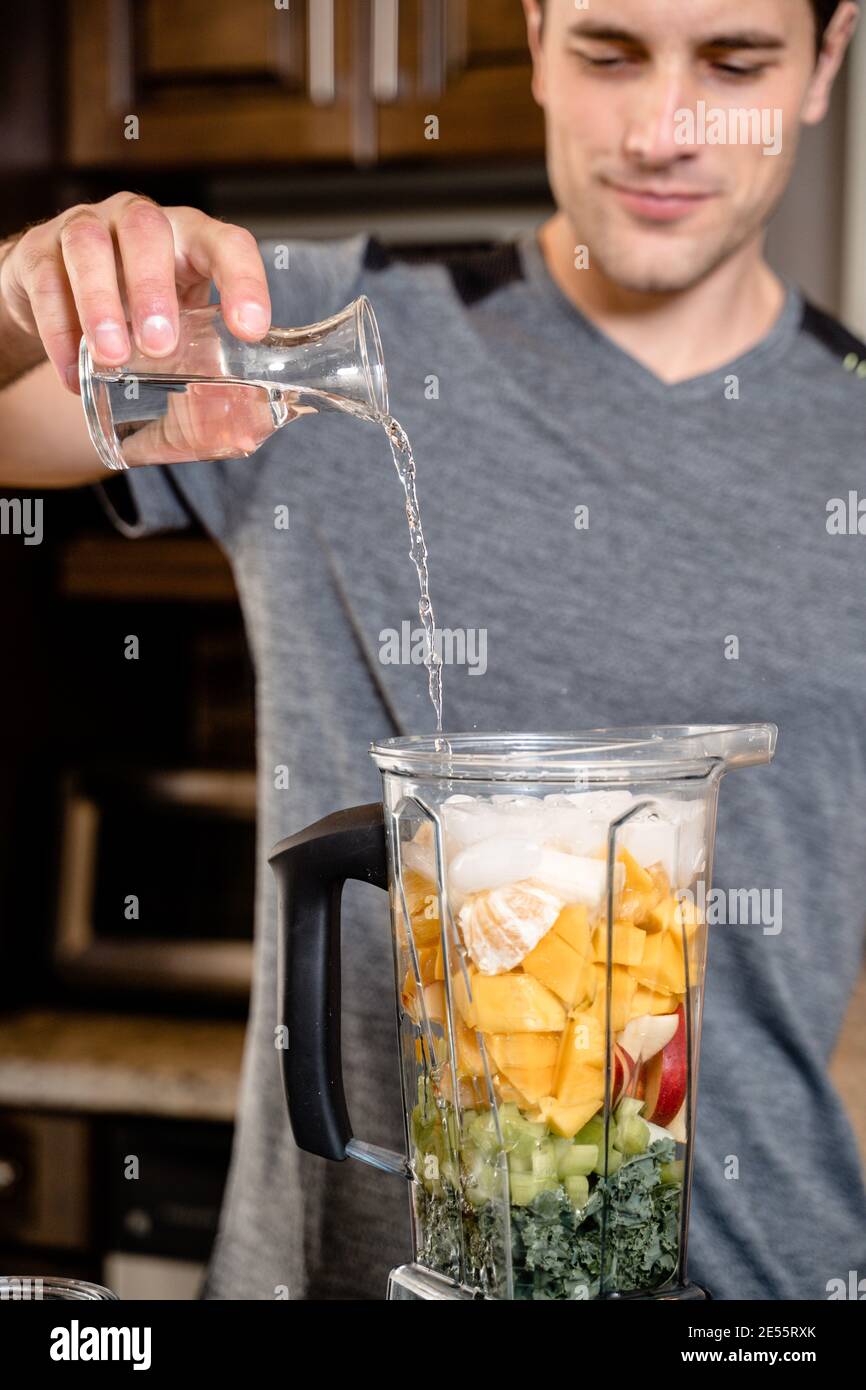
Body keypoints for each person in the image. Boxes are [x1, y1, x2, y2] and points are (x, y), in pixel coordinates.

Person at [0, 0, 864, 1300]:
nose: (661, 126)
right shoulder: (303, 337)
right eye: (608, 51)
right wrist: (28, 293)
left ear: (825, 58)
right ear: (531, 39)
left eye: (732, 60)